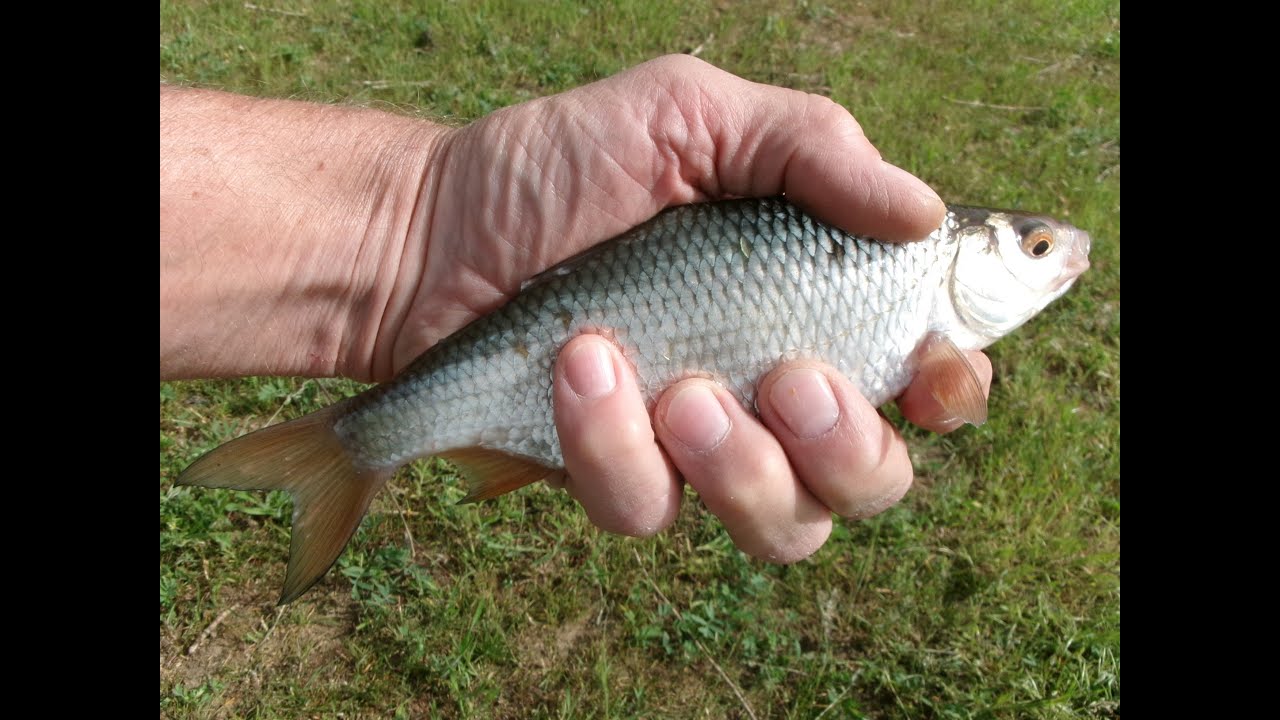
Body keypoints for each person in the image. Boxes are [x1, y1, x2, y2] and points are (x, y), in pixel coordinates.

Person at [160, 54, 991, 564]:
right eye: (1032, 248)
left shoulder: (926, 314)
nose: (1068, 256)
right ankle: (351, 447)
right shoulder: (916, 245)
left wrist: (409, 238)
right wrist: (412, 230)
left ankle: (361, 444)